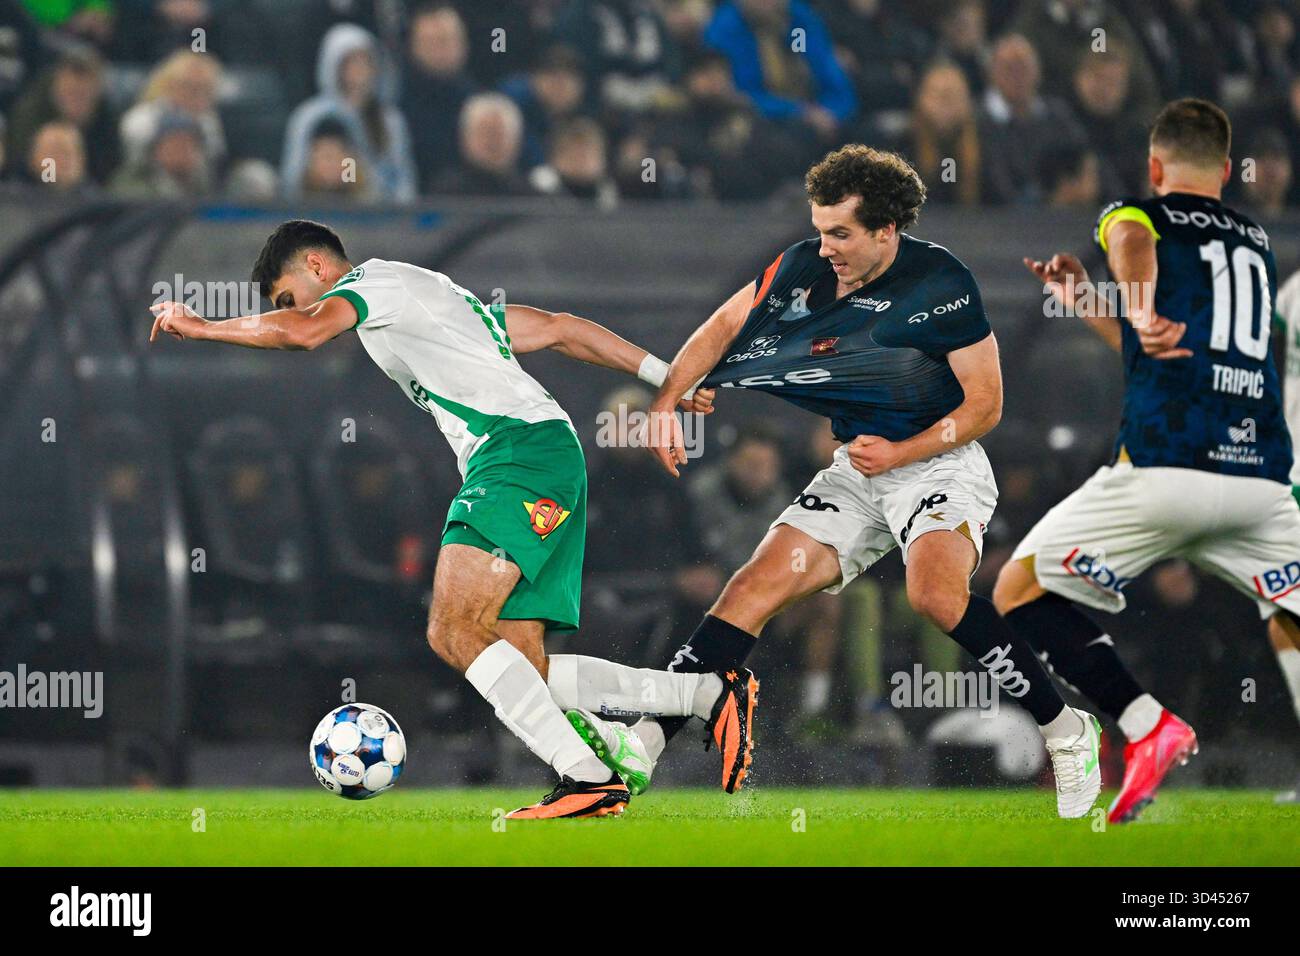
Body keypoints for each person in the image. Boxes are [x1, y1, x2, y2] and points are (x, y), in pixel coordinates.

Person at [147, 219, 753, 820]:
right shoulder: (439, 300)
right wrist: (667, 377)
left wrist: (203, 326)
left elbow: (304, 332)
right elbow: (562, 331)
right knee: (523, 663)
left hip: (516, 455)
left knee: (452, 629)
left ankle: (588, 777)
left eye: (286, 297)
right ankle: (702, 693)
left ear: (315, 267)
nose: (290, 310)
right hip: (545, 454)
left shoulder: (371, 284)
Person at [603, 144, 1105, 816]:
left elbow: (985, 405)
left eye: (840, 232)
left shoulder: (940, 283)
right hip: (860, 468)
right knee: (753, 586)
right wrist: (667, 398)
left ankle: (1065, 730)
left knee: (933, 594)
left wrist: (903, 454)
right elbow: (730, 322)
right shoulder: (805, 267)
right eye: (819, 229)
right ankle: (645, 742)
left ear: (886, 231)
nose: (825, 245)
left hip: (940, 461)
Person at [999, 98, 1300, 822]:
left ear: (1155, 166)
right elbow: (1165, 357)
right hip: (1261, 486)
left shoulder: (1138, 215)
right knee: (1290, 612)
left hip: (1167, 472)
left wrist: (1131, 303)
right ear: (1228, 172)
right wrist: (1094, 306)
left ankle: (1144, 724)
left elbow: (1132, 248)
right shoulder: (1256, 245)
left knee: (1018, 591)